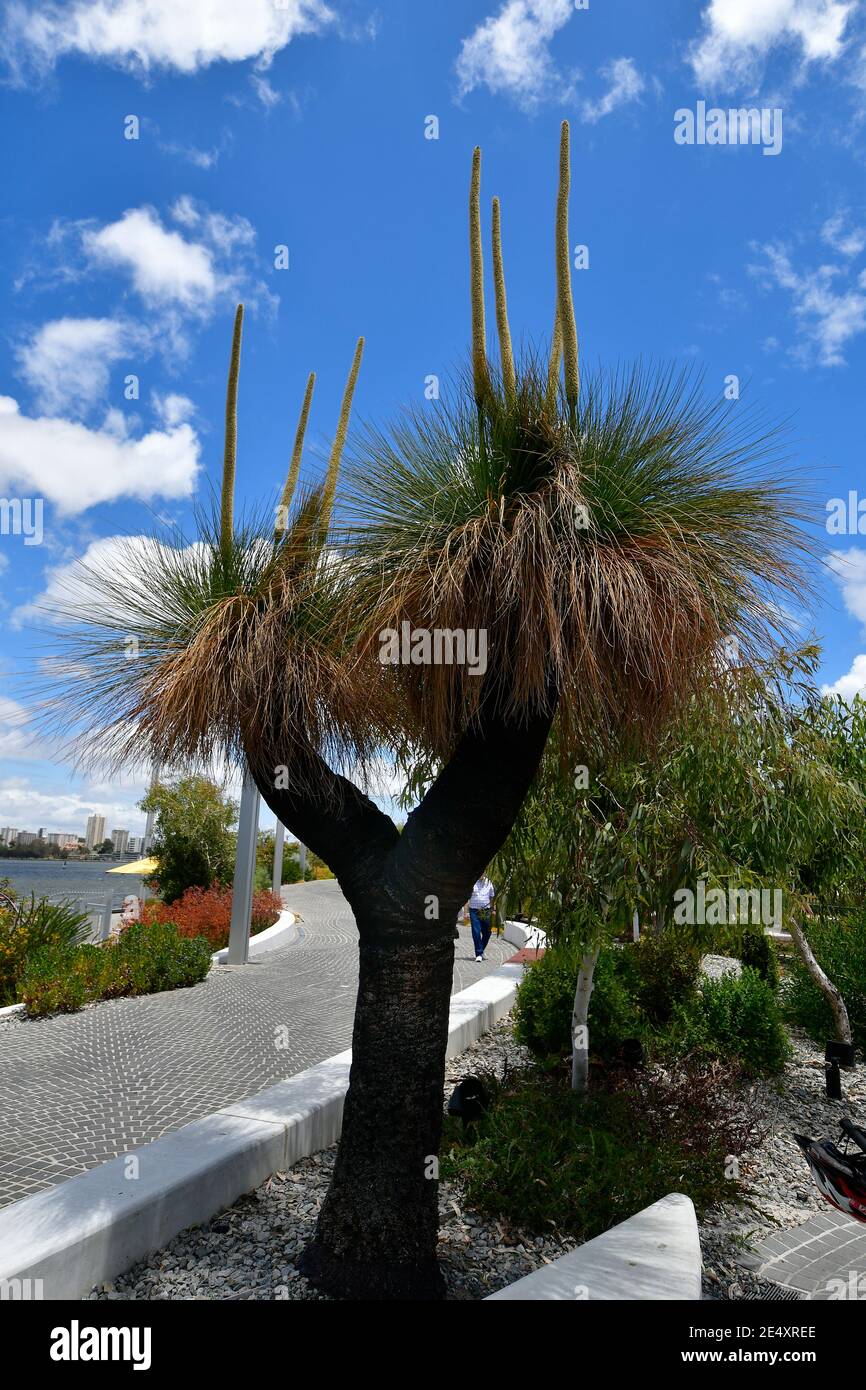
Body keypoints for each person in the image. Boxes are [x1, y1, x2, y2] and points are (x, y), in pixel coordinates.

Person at [467, 874, 495, 962]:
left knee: (487, 933)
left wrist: (493, 909)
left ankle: (481, 950)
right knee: (476, 932)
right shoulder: (472, 882)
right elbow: (467, 898)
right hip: (474, 910)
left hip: (486, 911)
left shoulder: (489, 882)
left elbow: (492, 896)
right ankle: (479, 954)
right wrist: (465, 912)